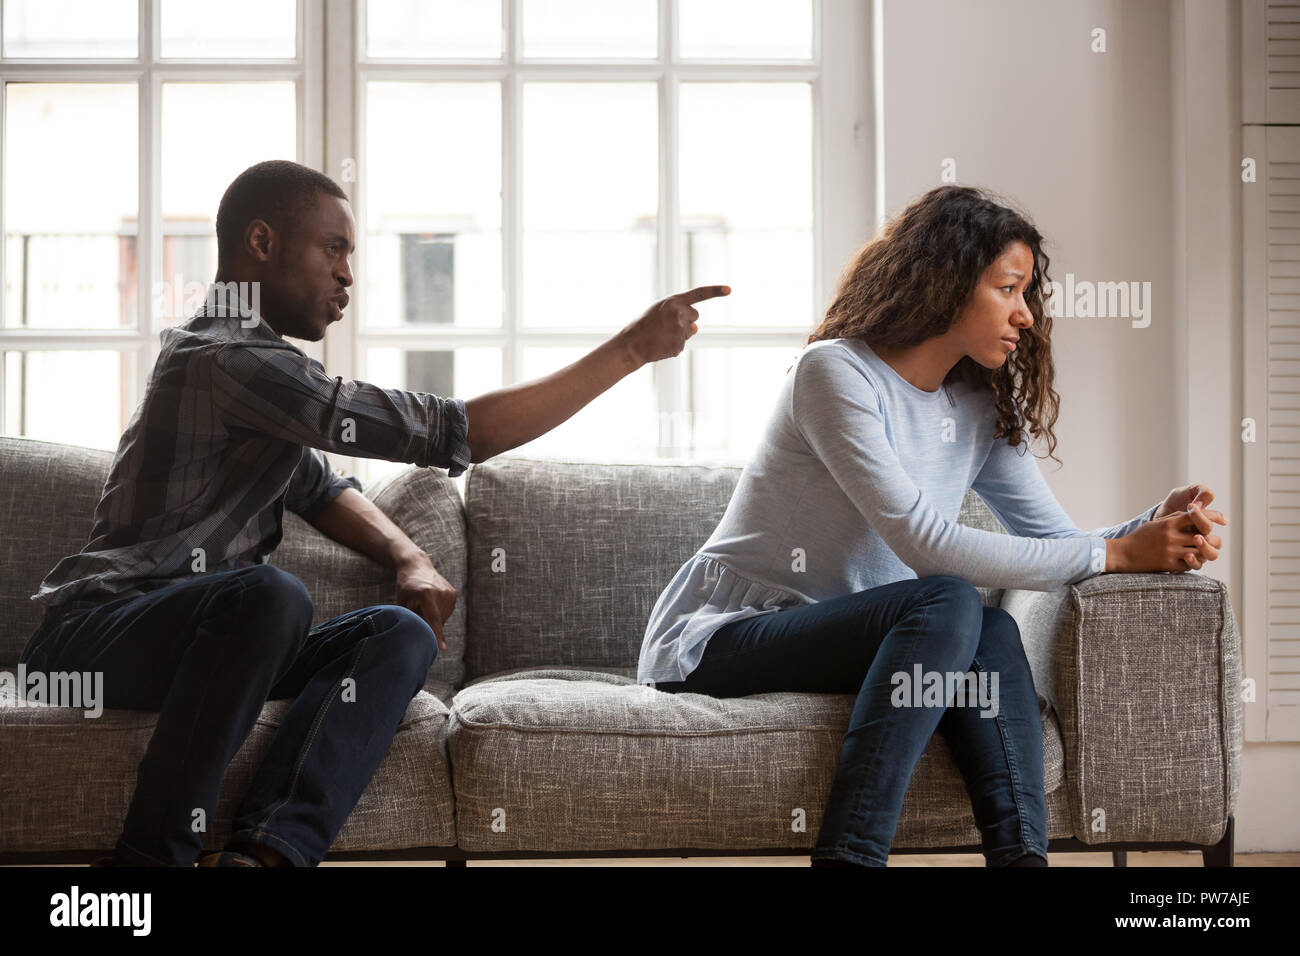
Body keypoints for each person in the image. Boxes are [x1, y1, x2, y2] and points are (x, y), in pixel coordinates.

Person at [21, 159, 729, 867]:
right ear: (261, 243)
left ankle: (265, 855)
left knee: (396, 633)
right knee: (268, 596)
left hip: (213, 643)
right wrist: (633, 349)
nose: (348, 275)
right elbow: (459, 431)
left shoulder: (252, 378)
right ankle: (147, 865)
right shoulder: (228, 358)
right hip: (98, 633)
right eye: (333, 249)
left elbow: (321, 489)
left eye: (350, 256)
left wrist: (410, 558)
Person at [637, 184, 1227, 868]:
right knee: (949, 596)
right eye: (1008, 289)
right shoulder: (835, 373)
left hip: (860, 638)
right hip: (723, 639)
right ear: (946, 282)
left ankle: (1021, 862)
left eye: (1027, 294)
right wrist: (1119, 553)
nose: (1026, 316)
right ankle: (850, 859)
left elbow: (1057, 544)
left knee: (994, 626)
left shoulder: (977, 407)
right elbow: (925, 544)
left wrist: (1149, 527)